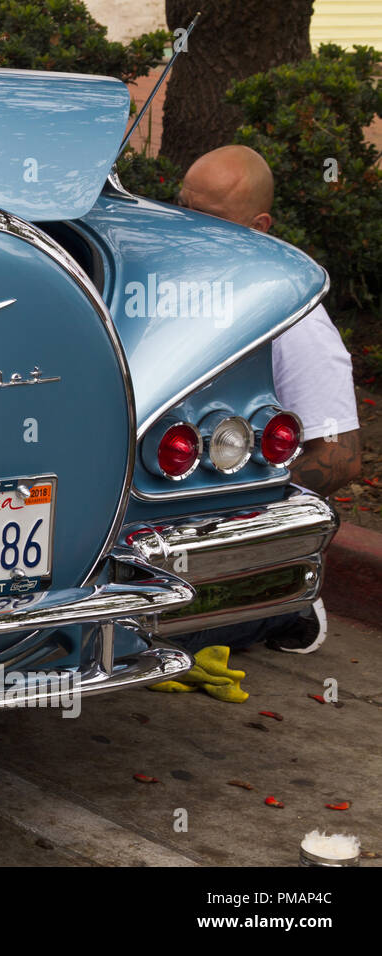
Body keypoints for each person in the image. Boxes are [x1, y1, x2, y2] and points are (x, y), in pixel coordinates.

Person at [173, 145, 361, 654]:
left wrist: (238, 517)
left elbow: (340, 456)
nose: (185, 228)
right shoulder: (161, 287)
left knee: (139, 639)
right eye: (180, 208)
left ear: (258, 227)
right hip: (157, 514)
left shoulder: (293, 318)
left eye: (205, 218)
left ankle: (293, 611)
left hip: (220, 528)